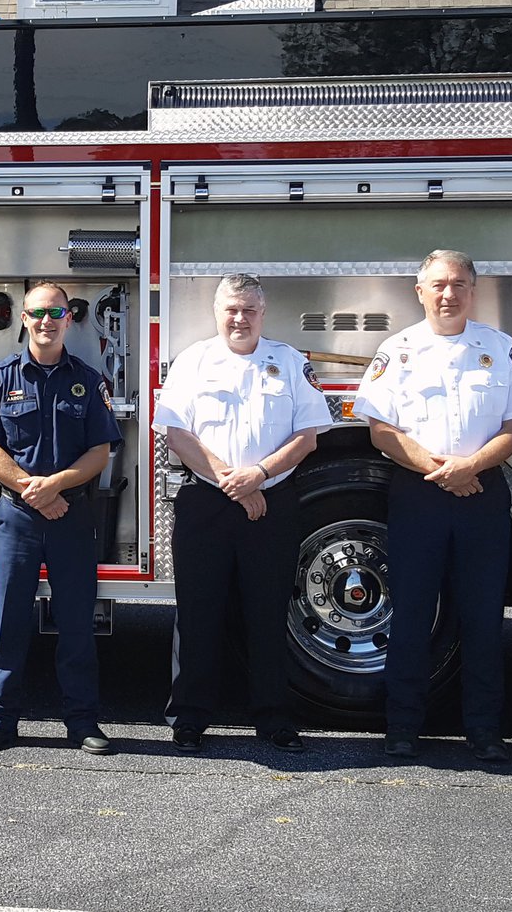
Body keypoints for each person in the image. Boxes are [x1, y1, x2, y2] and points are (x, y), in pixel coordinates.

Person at [353, 250, 512, 762]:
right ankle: (402, 728)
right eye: (438, 284)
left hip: (482, 494)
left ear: (472, 291)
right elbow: (381, 431)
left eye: (459, 284)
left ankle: (484, 730)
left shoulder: (500, 349)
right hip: (419, 496)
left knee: (483, 618)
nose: (448, 293)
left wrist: (470, 468)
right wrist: (442, 472)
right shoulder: (397, 350)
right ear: (420, 291)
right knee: (412, 615)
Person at [153, 273, 332, 754]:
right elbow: (176, 434)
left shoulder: (290, 362)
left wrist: (257, 475)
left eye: (249, 310)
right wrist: (232, 482)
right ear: (217, 312)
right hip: (206, 503)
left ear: (263, 312)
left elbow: (309, 436)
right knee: (197, 614)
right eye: (232, 309)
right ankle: (189, 717)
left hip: (269, 505)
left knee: (267, 613)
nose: (240, 318)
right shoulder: (193, 361)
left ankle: (273, 718)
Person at [0, 281, 124, 755]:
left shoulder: (90, 380)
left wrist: (54, 486)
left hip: (72, 515)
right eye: (38, 313)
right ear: (23, 319)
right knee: (7, 622)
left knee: (76, 624)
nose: (47, 321)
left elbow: (100, 452)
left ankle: (82, 723)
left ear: (68, 319)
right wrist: (33, 490)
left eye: (56, 312)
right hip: (16, 517)